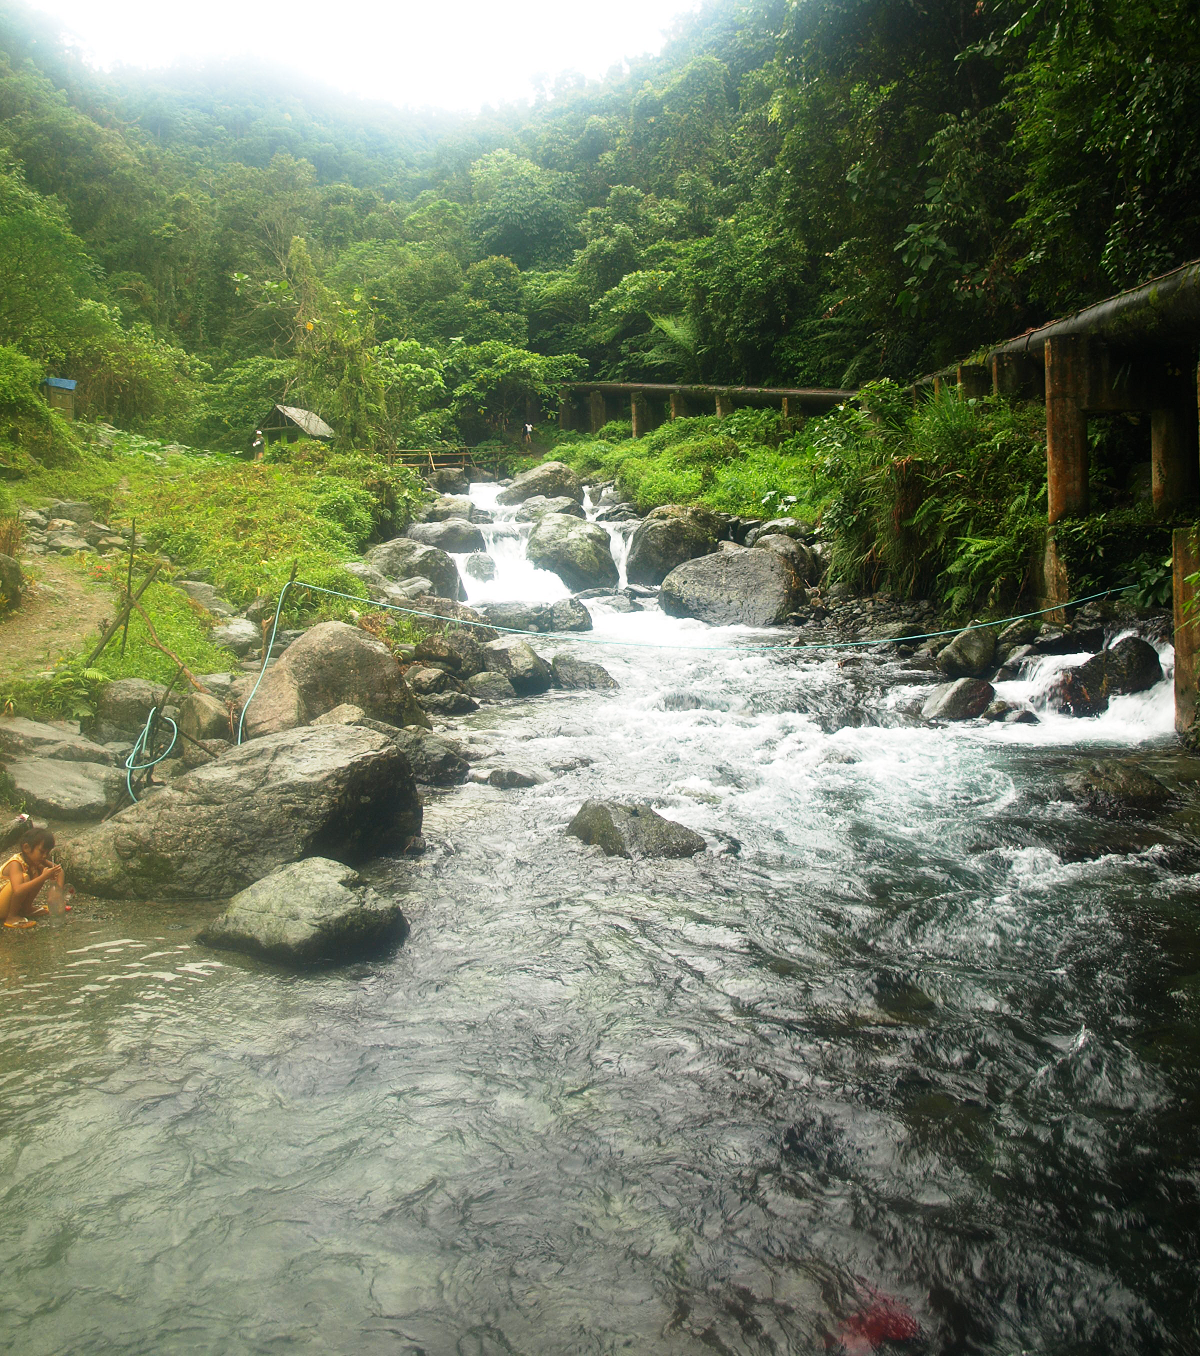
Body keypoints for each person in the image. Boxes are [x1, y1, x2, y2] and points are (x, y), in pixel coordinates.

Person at [0, 826, 65, 929]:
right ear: (26, 848)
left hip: (7, 903)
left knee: (39, 870)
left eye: (47, 853)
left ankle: (26, 908)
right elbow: (18, 890)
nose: (44, 856)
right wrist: (44, 877)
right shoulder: (15, 863)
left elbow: (59, 871)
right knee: (25, 877)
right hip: (1, 905)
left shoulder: (37, 860)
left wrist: (58, 894)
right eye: (41, 852)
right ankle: (12, 917)